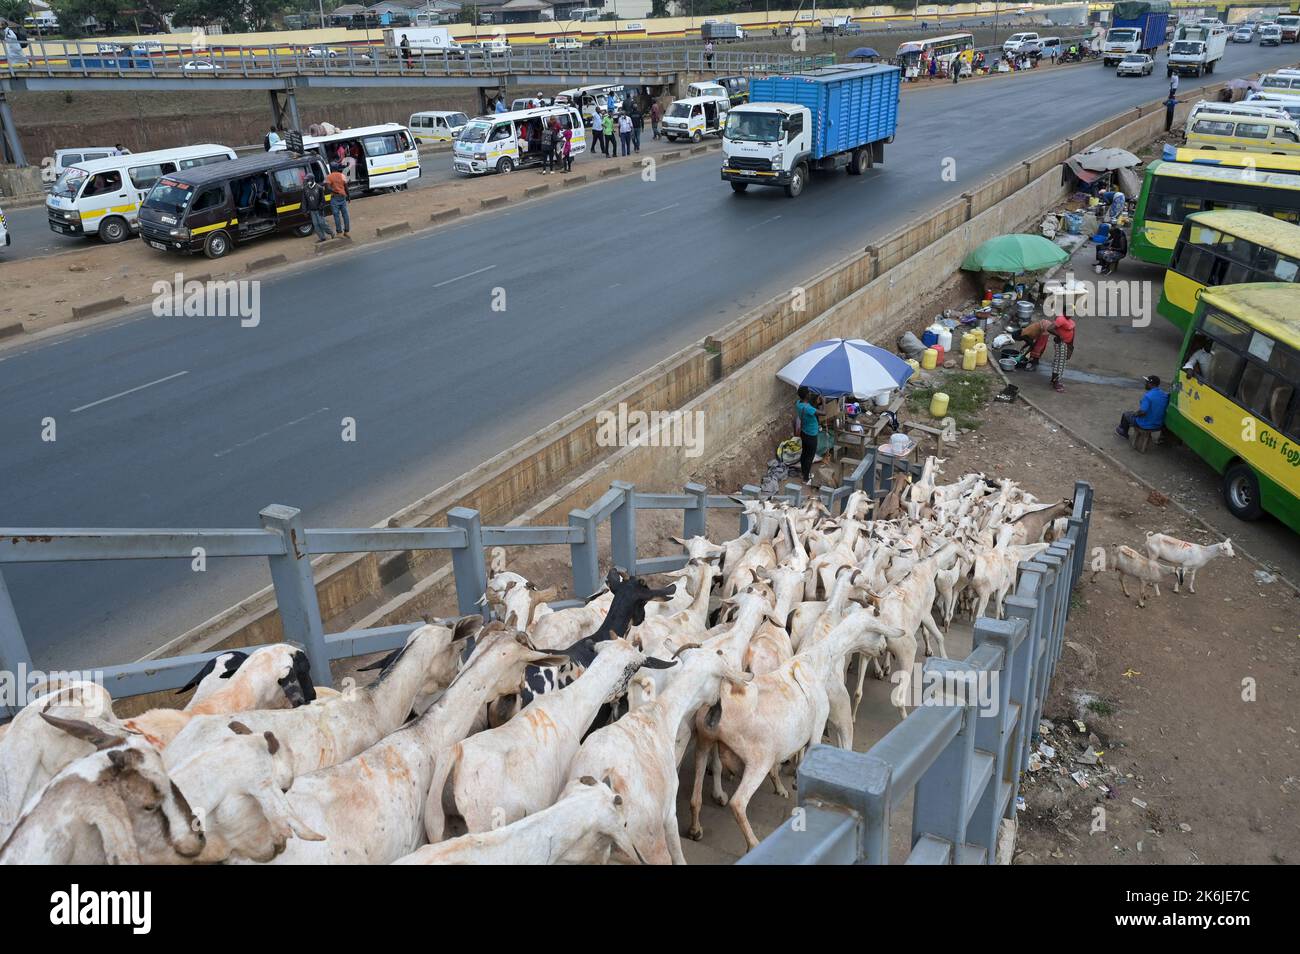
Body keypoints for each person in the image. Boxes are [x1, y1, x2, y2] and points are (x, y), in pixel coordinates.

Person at [793, 387, 822, 484]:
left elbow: (811, 408)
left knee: (804, 454)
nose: (810, 394)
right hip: (811, 434)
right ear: (806, 395)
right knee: (810, 456)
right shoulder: (809, 408)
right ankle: (806, 479)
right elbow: (824, 413)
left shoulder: (799, 404)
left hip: (804, 432)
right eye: (809, 393)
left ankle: (804, 473)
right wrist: (824, 402)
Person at [1048, 314, 1075, 393]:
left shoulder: (1069, 320)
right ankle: (1055, 383)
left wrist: (1070, 345)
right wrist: (1059, 336)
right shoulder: (1061, 319)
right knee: (1059, 363)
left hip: (1066, 344)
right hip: (1061, 343)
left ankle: (1054, 381)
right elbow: (1050, 328)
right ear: (1064, 312)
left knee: (1061, 363)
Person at [303, 175, 333, 242]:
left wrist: (320, 207)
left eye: (308, 180)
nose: (307, 181)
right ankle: (322, 238)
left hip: (319, 210)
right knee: (316, 225)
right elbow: (304, 200)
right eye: (306, 180)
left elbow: (323, 200)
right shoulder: (305, 189)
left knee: (322, 223)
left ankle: (331, 232)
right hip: (312, 211)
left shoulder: (319, 188)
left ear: (313, 179)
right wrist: (304, 211)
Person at [325, 162, 350, 236]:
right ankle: (346, 231)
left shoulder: (329, 177)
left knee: (336, 216)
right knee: (345, 215)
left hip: (335, 198)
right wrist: (348, 196)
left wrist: (334, 191)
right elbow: (346, 187)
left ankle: (339, 232)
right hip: (343, 197)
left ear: (331, 168)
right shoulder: (342, 175)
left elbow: (328, 188)